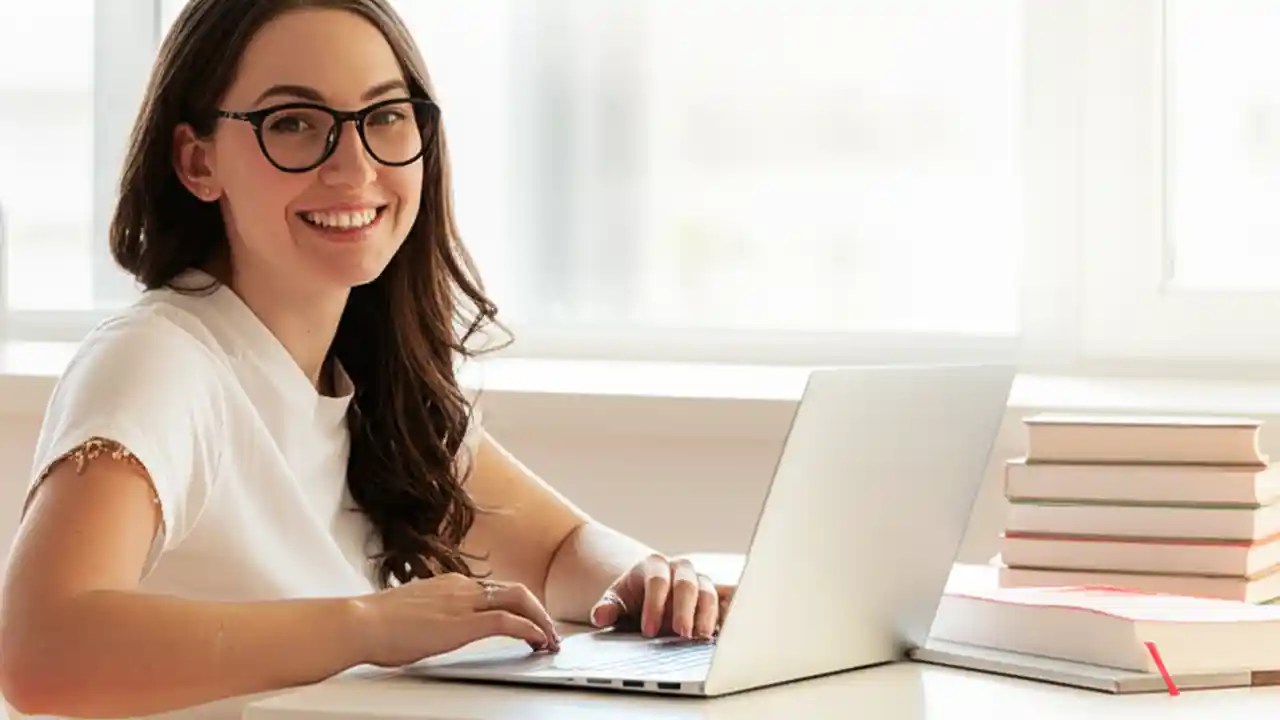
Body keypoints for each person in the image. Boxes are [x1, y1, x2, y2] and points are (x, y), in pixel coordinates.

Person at [0, 1, 732, 717]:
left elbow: (559, 551)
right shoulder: (158, 359)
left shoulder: (365, 374)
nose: (354, 166)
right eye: (294, 123)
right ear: (198, 162)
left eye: (384, 116)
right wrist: (369, 626)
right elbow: (40, 651)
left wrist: (644, 578)